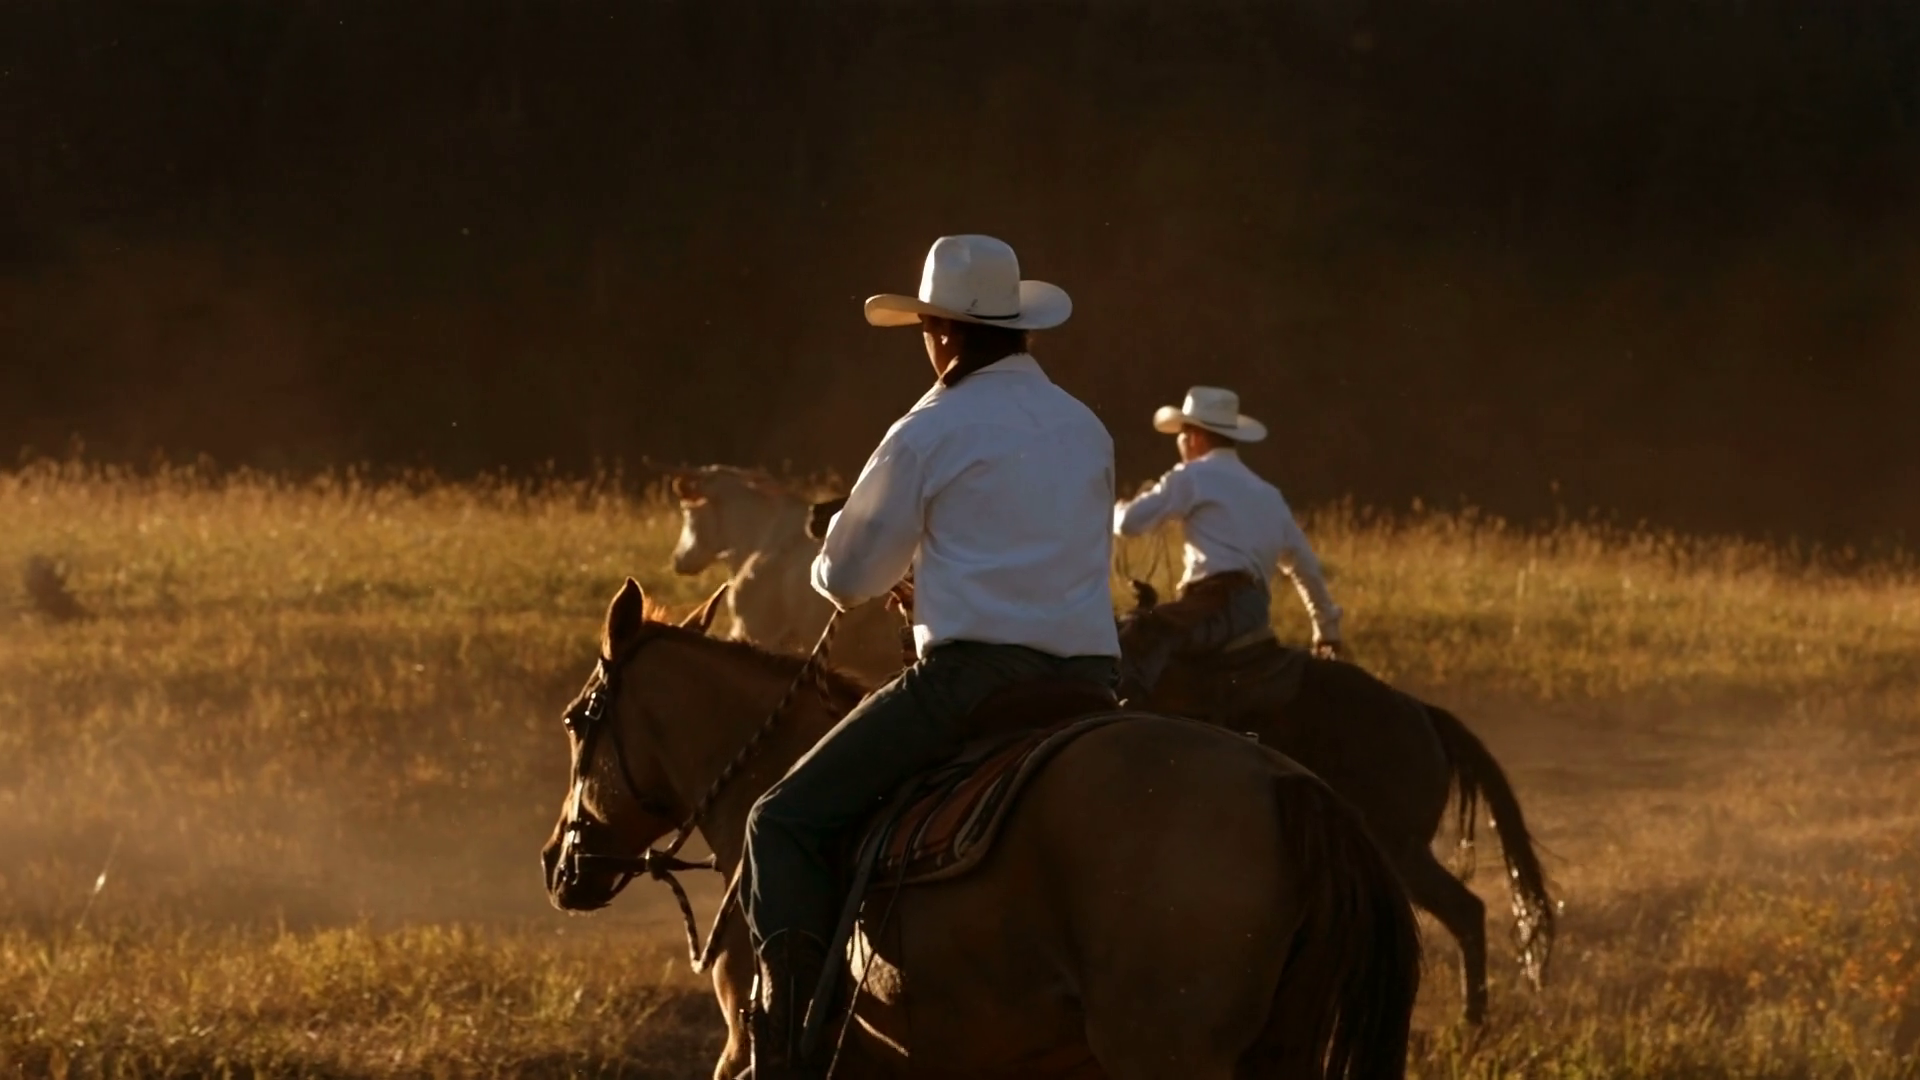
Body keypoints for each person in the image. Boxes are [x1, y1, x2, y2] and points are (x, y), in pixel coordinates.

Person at [738, 235, 1121, 1079]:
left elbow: (847, 578)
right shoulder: (1085, 427)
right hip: (1093, 683)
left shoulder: (928, 428)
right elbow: (1045, 555)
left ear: (941, 331)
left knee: (782, 822)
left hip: (972, 684)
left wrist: (857, 562)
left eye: (924, 329)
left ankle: (789, 1047)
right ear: (1016, 326)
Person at [1112, 386, 1345, 703]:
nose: (1180, 442)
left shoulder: (1192, 476)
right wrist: (1326, 628)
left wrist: (1116, 508)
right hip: (1253, 612)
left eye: (1182, 434)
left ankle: (1126, 713)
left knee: (1137, 635)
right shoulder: (1268, 494)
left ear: (1194, 436)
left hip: (1215, 605)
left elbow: (1129, 524)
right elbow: (1305, 565)